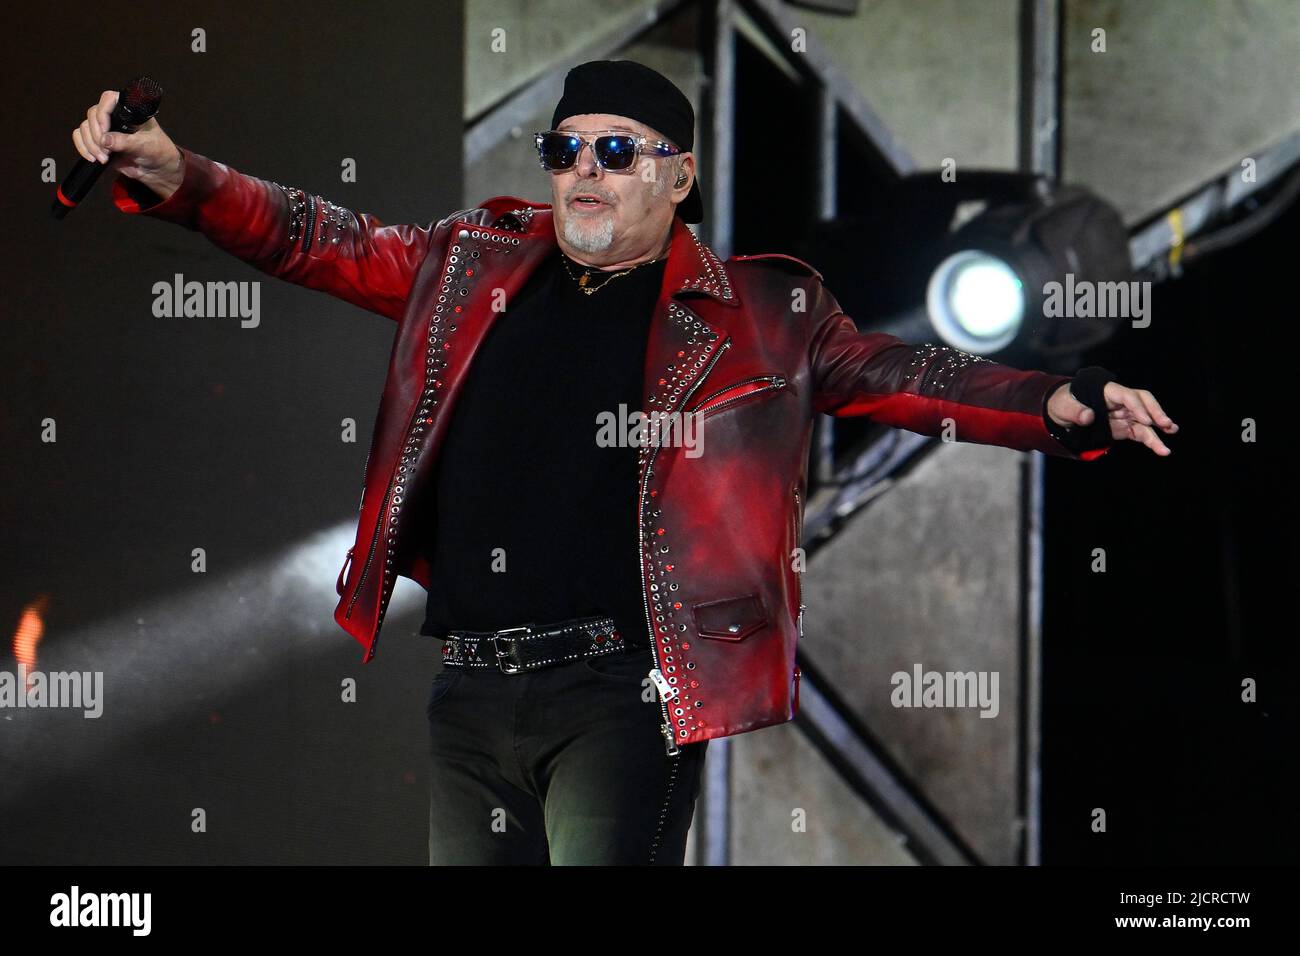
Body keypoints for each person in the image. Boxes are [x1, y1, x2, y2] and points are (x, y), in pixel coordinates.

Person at [72, 59, 1178, 866]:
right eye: (565, 151)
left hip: (623, 690)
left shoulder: (762, 310)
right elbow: (314, 234)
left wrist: (1062, 401)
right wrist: (178, 173)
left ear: (679, 175)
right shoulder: (470, 263)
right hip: (473, 688)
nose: (584, 172)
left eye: (616, 151)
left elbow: (910, 375)